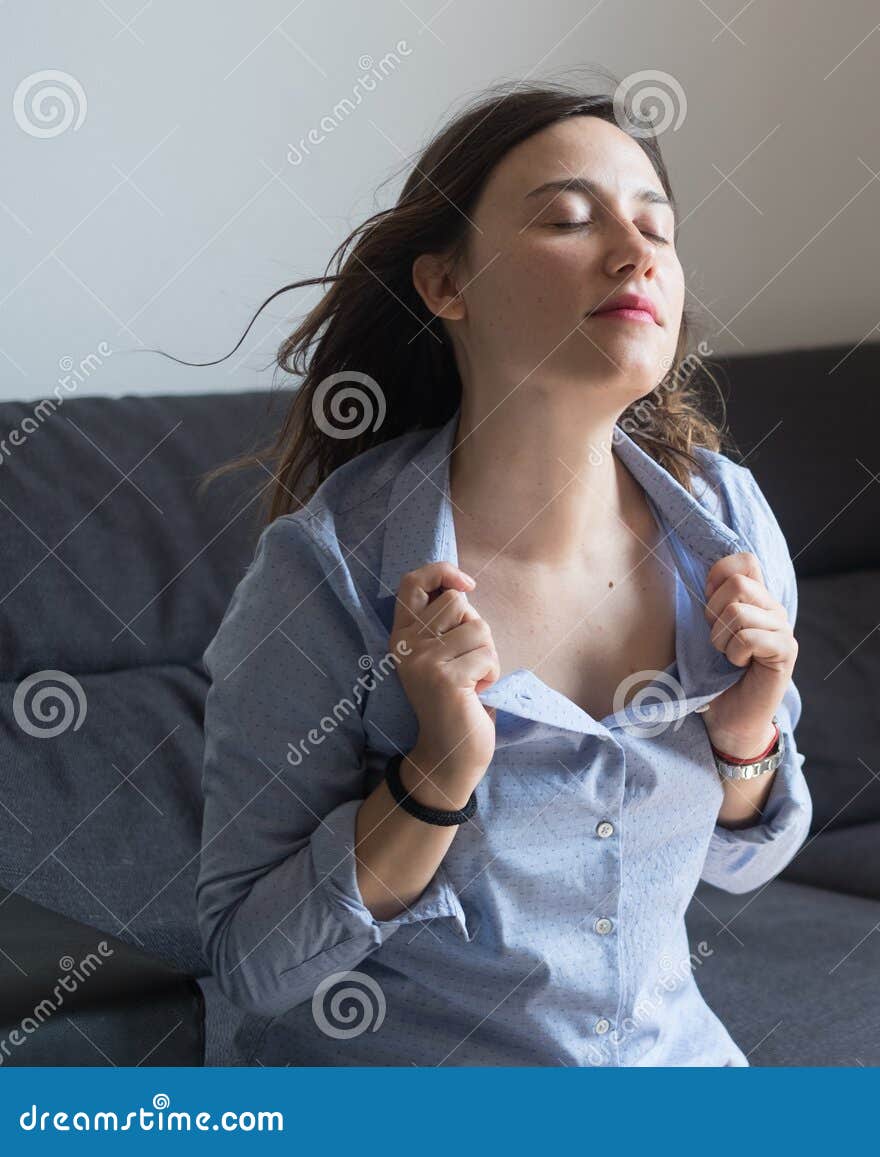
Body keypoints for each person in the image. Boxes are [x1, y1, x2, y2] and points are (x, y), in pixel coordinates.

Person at [192, 80, 812, 1066]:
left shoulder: (725, 519)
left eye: (658, 225)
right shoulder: (327, 570)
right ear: (447, 285)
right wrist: (435, 774)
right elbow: (250, 965)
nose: (634, 250)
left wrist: (745, 738)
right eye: (570, 217)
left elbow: (752, 854)